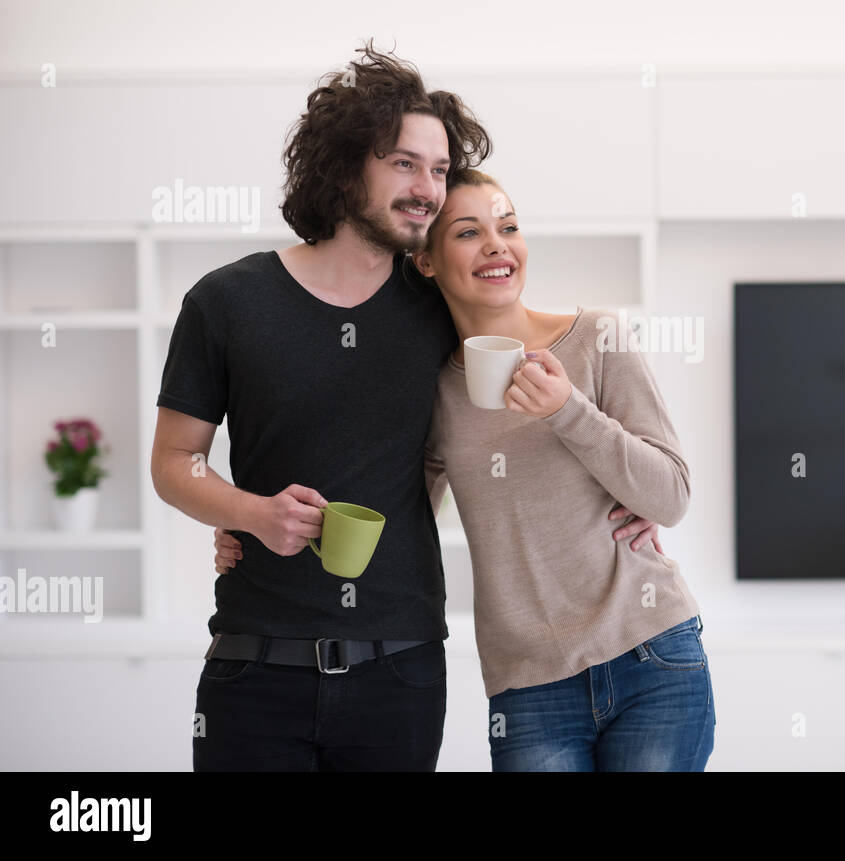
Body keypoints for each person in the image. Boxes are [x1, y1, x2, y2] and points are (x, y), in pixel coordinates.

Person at [159, 41, 662, 771]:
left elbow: (535, 374)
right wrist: (247, 513)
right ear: (344, 164)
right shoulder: (226, 302)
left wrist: (629, 492)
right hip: (253, 663)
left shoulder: (438, 307)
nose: (427, 187)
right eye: (404, 163)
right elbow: (176, 462)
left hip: (401, 668)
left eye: (438, 168)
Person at [222, 169, 714, 771]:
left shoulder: (597, 338)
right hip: (527, 689)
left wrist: (568, 411)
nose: (497, 245)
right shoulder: (435, 391)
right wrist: (256, 525)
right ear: (426, 261)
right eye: (468, 232)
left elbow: (671, 496)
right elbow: (395, 513)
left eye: (508, 227)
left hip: (651, 654)